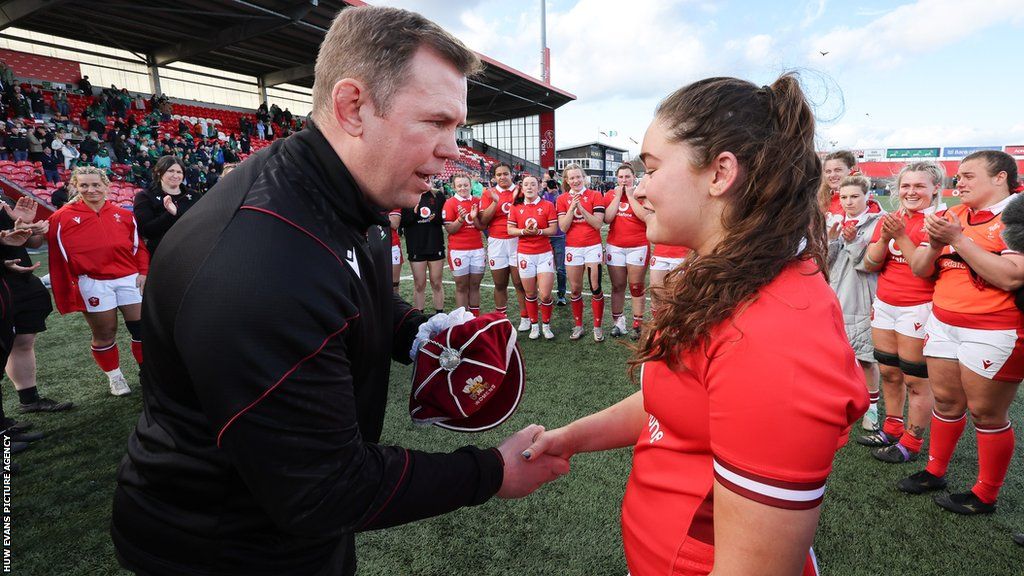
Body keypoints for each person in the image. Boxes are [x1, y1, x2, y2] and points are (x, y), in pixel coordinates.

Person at [112, 9, 568, 575]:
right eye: (436, 121)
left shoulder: (342, 192)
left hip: (287, 534)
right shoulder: (264, 259)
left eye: (457, 128)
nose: (454, 150)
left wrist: (418, 332)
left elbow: (350, 293)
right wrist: (492, 472)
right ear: (353, 107)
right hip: (221, 548)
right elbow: (321, 488)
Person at [523, 74, 867, 576]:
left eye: (652, 168)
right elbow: (675, 402)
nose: (641, 189)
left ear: (720, 173)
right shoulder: (723, 276)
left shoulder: (775, 336)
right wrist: (572, 437)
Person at [899, 150, 1023, 515]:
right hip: (943, 323)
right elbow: (921, 269)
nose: (959, 182)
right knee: (946, 402)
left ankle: (985, 493)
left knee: (986, 413)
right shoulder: (951, 215)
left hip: (995, 329)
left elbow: (1011, 277)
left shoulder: (1016, 215)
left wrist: (959, 240)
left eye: (969, 176)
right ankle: (935, 471)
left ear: (1000, 177)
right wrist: (938, 243)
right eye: (959, 176)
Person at [857, 162, 943, 463]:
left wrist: (900, 235)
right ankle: (892, 428)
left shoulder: (939, 221)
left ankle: (912, 442)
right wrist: (884, 238)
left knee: (915, 380)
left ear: (935, 188)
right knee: (889, 373)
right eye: (906, 186)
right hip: (884, 304)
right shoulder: (891, 220)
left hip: (918, 307)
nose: (911, 192)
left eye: (919, 186)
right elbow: (871, 263)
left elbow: (923, 270)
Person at [47, 166, 148, 396]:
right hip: (92, 281)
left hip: (129, 278)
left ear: (106, 186)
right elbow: (45, 243)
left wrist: (143, 271)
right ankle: (115, 377)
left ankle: (148, 373)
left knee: (142, 329)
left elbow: (138, 247)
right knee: (105, 333)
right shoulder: (61, 217)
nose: (90, 189)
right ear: (75, 186)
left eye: (95, 185)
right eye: (84, 185)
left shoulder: (124, 214)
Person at [1, 197, 73, 414]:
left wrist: (32, 229)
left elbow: (32, 242)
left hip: (22, 280)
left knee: (23, 341)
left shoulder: (5, 200)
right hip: (3, 279)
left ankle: (29, 399)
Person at [827, 175, 883, 431]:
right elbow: (823, 263)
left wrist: (853, 242)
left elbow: (869, 265)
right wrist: (830, 240)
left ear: (867, 196)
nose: (848, 202)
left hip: (862, 298)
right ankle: (840, 403)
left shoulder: (878, 223)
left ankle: (872, 409)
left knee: (866, 357)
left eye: (854, 196)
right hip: (834, 296)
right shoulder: (834, 221)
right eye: (844, 197)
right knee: (836, 356)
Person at [556, 164, 606, 341]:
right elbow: (563, 227)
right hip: (573, 248)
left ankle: (597, 327)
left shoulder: (595, 195)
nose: (576, 180)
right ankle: (578, 326)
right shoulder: (562, 199)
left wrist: (582, 208)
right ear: (567, 180)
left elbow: (597, 224)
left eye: (578, 177)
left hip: (592, 247)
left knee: (595, 287)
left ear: (584, 177)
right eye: (572, 178)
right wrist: (571, 207)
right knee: (575, 289)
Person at [479, 163, 530, 329]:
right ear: (494, 177)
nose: (502, 177)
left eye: (505, 174)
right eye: (499, 174)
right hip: (497, 242)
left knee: (519, 283)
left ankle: (525, 317)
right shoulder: (489, 193)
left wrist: (515, 200)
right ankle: (501, 318)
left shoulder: (521, 191)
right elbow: (483, 221)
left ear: (511, 174)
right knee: (500, 284)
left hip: (518, 240)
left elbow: (528, 214)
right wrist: (495, 202)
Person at [508, 175, 558, 340]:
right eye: (526, 185)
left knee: (545, 295)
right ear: (522, 188)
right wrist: (524, 231)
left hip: (544, 254)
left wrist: (539, 232)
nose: (529, 187)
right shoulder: (516, 207)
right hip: (525, 255)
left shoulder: (547, 205)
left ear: (539, 187)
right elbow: (510, 230)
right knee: (530, 294)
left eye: (533, 184)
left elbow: (553, 229)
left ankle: (546, 325)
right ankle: (534, 325)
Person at [603, 164, 650, 340]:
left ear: (634, 177)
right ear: (617, 178)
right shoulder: (610, 194)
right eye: (621, 177)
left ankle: (637, 324)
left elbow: (645, 217)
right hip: (615, 246)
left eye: (627, 176)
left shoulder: (641, 194)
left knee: (636, 286)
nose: (624, 180)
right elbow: (607, 218)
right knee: (618, 285)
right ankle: (618, 323)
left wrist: (630, 196)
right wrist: (617, 197)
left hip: (638, 246)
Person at [133, 155, 201, 256]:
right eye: (170, 171)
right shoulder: (144, 196)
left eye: (179, 172)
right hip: (161, 254)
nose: (175, 175)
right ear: (159, 172)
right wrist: (170, 214)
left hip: (192, 252)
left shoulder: (195, 195)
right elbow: (146, 231)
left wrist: (177, 213)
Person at [443, 173, 485, 315]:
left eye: (466, 185)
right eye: (459, 185)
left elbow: (481, 227)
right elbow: (450, 229)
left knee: (475, 285)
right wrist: (461, 219)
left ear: (470, 185)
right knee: (461, 286)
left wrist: (474, 218)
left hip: (477, 249)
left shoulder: (477, 201)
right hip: (458, 250)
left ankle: (474, 318)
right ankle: (463, 319)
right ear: (454, 187)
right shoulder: (450, 203)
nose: (463, 188)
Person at [402, 185, 446, 314]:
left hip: (435, 244)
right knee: (419, 284)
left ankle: (440, 315)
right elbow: (403, 222)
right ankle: (419, 317)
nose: (425, 181)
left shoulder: (438, 195)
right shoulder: (408, 195)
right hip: (416, 246)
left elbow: (444, 219)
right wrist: (413, 213)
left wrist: (436, 218)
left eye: (427, 178)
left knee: (437, 283)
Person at [820, 150, 881, 228]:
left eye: (838, 170)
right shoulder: (821, 198)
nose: (832, 175)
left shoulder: (862, 199)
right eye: (828, 171)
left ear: (851, 170)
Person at [540, 178, 567, 305]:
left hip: (557, 235)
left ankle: (560, 295)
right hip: (547, 235)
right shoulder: (542, 197)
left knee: (559, 268)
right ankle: (547, 294)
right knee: (545, 268)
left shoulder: (558, 197)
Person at [648, 243, 690, 313]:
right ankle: (659, 320)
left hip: (682, 255)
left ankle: (676, 320)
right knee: (656, 297)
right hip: (659, 253)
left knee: (676, 299)